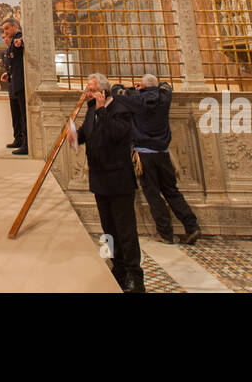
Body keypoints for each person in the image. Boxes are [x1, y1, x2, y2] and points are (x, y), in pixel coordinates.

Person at [67, 74, 143, 293]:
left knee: (125, 229)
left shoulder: (121, 110)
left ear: (103, 91)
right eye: (87, 90)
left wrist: (101, 109)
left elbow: (116, 134)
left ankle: (134, 275)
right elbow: (86, 134)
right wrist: (74, 136)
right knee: (108, 228)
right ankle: (117, 267)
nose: (87, 94)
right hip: (100, 179)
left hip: (118, 180)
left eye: (91, 90)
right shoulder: (92, 110)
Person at [126, 74, 200, 244]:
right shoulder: (164, 99)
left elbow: (118, 91)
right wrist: (151, 87)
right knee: (171, 190)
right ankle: (192, 226)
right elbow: (167, 85)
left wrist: (135, 89)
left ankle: (165, 232)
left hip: (144, 154)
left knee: (153, 193)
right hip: (163, 153)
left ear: (142, 87)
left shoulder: (136, 100)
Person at [0, 20, 27, 154]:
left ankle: (26, 144)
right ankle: (19, 139)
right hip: (14, 82)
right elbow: (12, 62)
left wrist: (20, 43)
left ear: (14, 27)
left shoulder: (19, 38)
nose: (5, 32)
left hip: (21, 82)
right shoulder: (12, 42)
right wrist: (8, 74)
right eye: (3, 30)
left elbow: (21, 46)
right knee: (17, 114)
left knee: (23, 115)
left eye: (7, 28)